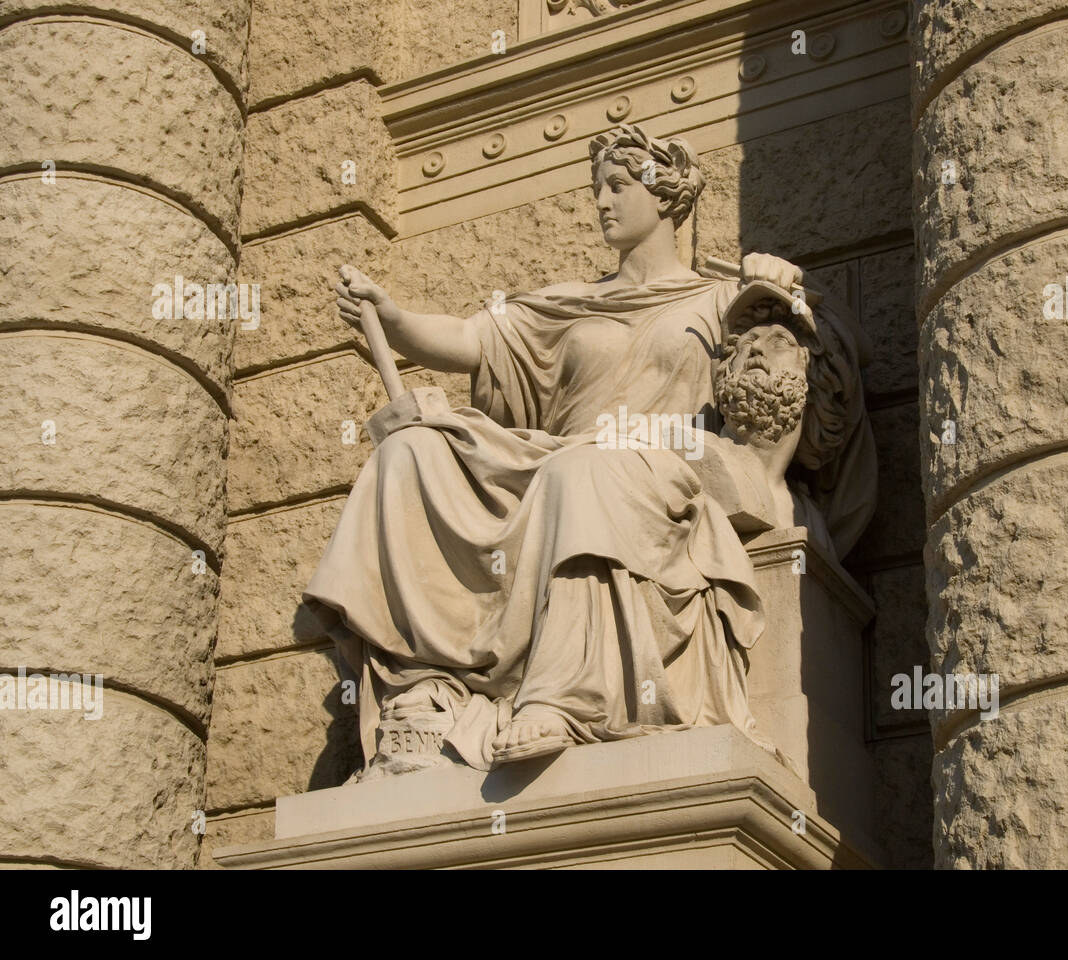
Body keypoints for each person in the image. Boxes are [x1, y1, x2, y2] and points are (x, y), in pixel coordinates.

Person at [303, 124, 872, 776]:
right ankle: (425, 690)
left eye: (617, 186)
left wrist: (787, 294)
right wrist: (390, 315)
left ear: (665, 196)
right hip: (561, 458)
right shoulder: (565, 304)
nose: (601, 202)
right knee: (409, 452)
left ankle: (563, 697)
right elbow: (467, 341)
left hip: (666, 468)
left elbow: (815, 378)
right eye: (597, 187)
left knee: (583, 470)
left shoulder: (722, 299)